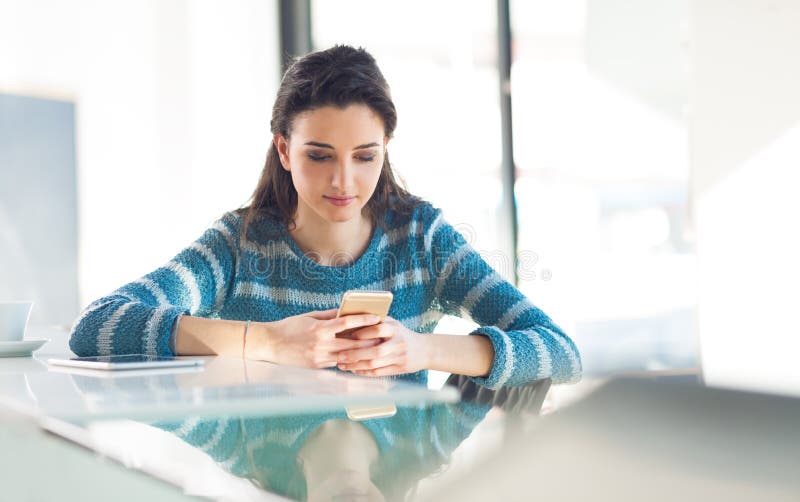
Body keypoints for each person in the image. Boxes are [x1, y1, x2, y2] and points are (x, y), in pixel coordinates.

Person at [68, 45, 581, 389]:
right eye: (319, 155)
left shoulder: (422, 238)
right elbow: (97, 326)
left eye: (365, 156)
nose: (344, 182)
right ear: (284, 150)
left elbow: (560, 351)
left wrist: (422, 350)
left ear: (385, 149)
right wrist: (266, 342)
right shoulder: (239, 245)